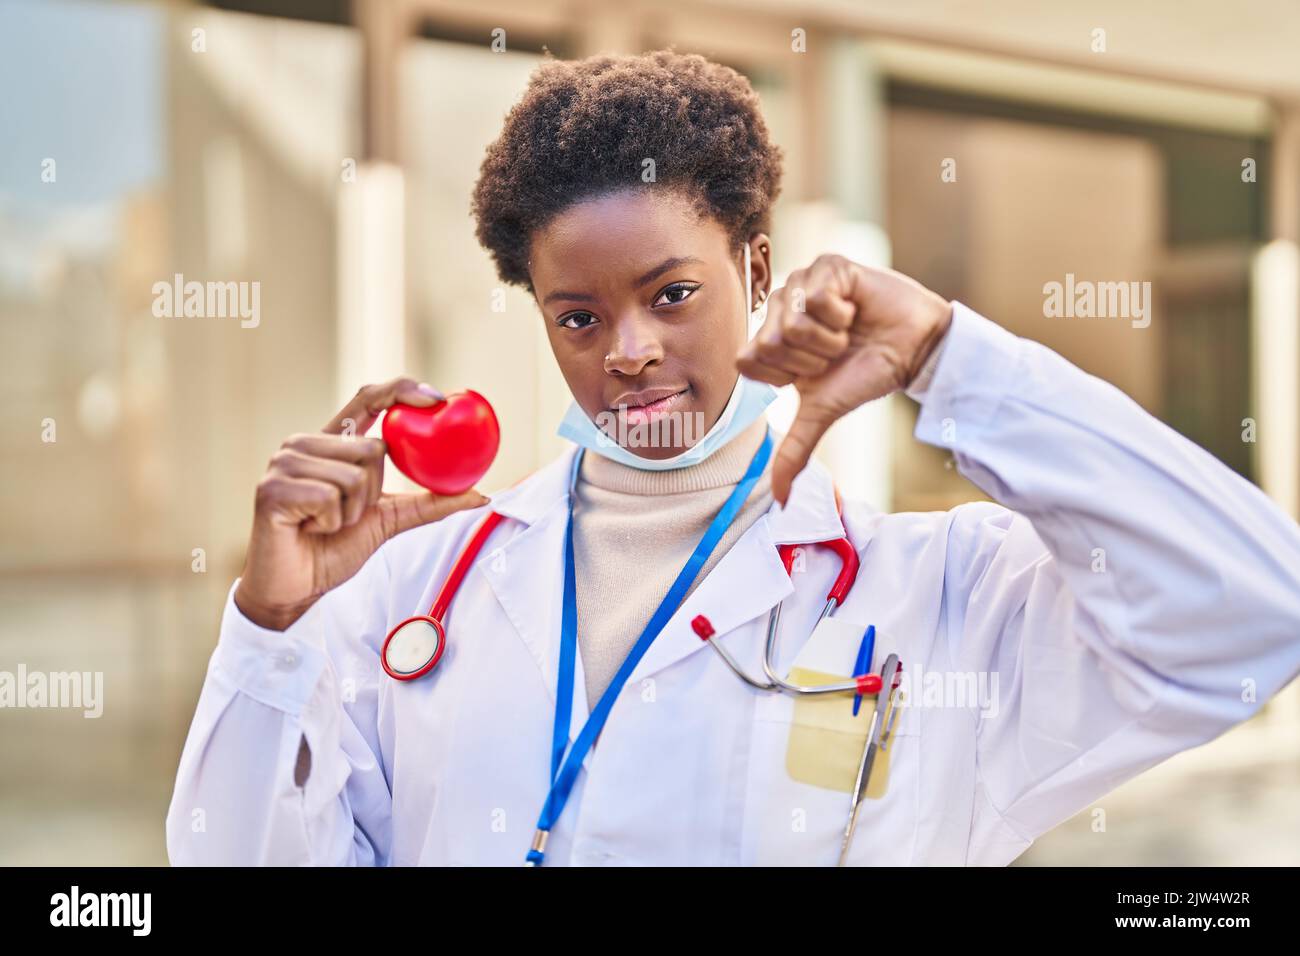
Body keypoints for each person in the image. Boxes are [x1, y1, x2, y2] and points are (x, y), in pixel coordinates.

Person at [166, 50, 1300, 866]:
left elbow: (1251, 615)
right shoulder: (417, 591)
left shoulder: (938, 595)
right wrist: (272, 633)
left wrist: (954, 363)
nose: (630, 352)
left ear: (756, 267)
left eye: (671, 293)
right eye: (577, 316)